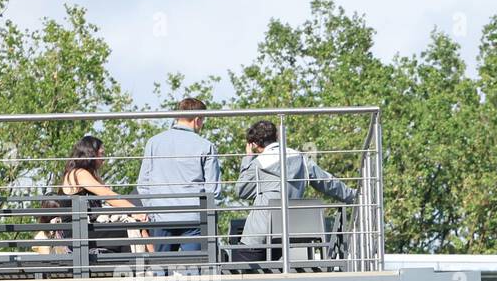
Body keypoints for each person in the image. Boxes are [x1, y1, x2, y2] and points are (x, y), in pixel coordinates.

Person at [233, 119, 357, 261]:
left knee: (238, 264)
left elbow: (241, 190)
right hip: (289, 236)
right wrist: (353, 195)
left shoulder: (258, 164)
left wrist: (248, 158)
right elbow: (328, 182)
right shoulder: (301, 159)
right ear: (277, 137)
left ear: (255, 144)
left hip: (258, 238)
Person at [136, 97, 221, 253]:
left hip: (162, 217)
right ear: (197, 120)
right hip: (194, 219)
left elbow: (143, 183)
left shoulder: (154, 142)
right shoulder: (206, 146)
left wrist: (154, 212)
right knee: (195, 270)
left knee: (161, 270)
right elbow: (213, 190)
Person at [59, 135, 151, 253]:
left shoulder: (90, 174)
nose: (104, 158)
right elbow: (108, 195)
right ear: (91, 154)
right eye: (101, 154)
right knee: (128, 230)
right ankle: (152, 266)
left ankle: (154, 266)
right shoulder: (79, 174)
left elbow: (108, 194)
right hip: (78, 233)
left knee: (137, 225)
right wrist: (135, 211)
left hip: (88, 228)